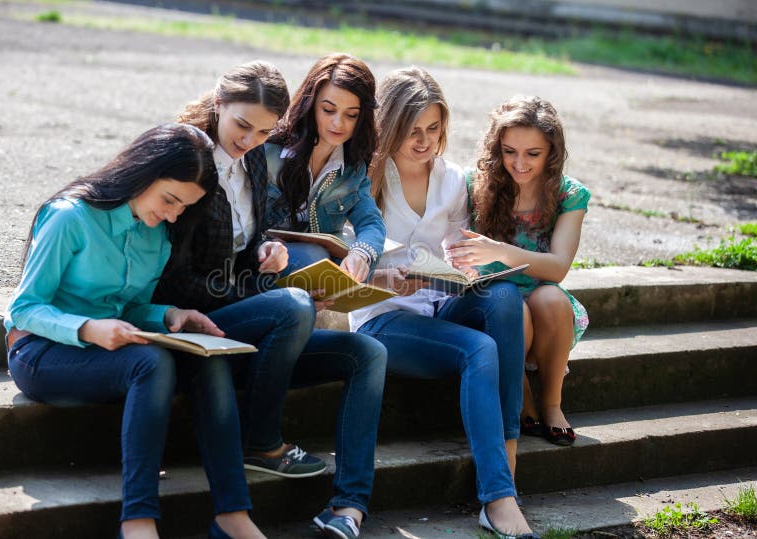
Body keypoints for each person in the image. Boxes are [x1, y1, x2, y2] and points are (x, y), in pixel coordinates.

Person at [4, 123, 273, 539]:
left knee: (209, 361)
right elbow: (23, 308)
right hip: (40, 351)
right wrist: (88, 328)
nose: (171, 215)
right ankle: (138, 524)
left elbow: (129, 307)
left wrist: (169, 315)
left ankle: (233, 516)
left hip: (108, 354)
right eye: (169, 199)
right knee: (150, 363)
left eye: (183, 208)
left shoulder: (158, 237)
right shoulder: (69, 217)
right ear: (143, 171)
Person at [154, 61, 387, 539]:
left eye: (261, 131)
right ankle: (261, 442)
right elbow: (177, 277)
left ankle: (349, 507)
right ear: (218, 106)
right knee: (295, 305)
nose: (250, 139)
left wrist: (267, 249)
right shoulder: (191, 162)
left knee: (369, 353)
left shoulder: (256, 157)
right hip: (199, 315)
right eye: (242, 126)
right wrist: (267, 283)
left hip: (248, 315)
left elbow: (253, 235)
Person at [351, 67, 539, 539]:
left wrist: (466, 271)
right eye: (413, 130)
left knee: (503, 295)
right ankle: (498, 497)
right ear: (388, 126)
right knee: (480, 350)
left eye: (434, 129)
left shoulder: (453, 181)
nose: (425, 141)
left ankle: (507, 456)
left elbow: (459, 256)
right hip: (384, 321)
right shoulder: (361, 182)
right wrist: (387, 280)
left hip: (440, 305)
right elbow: (343, 272)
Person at [450, 95, 591, 447]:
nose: (519, 163)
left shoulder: (568, 195)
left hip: (546, 313)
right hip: (493, 302)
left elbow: (558, 267)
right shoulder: (473, 185)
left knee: (550, 298)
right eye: (510, 151)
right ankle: (523, 393)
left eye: (533, 153)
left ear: (552, 153)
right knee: (508, 301)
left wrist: (498, 250)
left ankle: (552, 403)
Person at [263, 52, 385, 282]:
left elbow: (371, 221)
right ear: (310, 105)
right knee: (315, 256)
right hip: (263, 259)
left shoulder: (352, 167)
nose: (338, 123)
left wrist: (361, 254)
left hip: (315, 263)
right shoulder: (269, 151)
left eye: (351, 115)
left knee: (359, 269)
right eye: (328, 110)